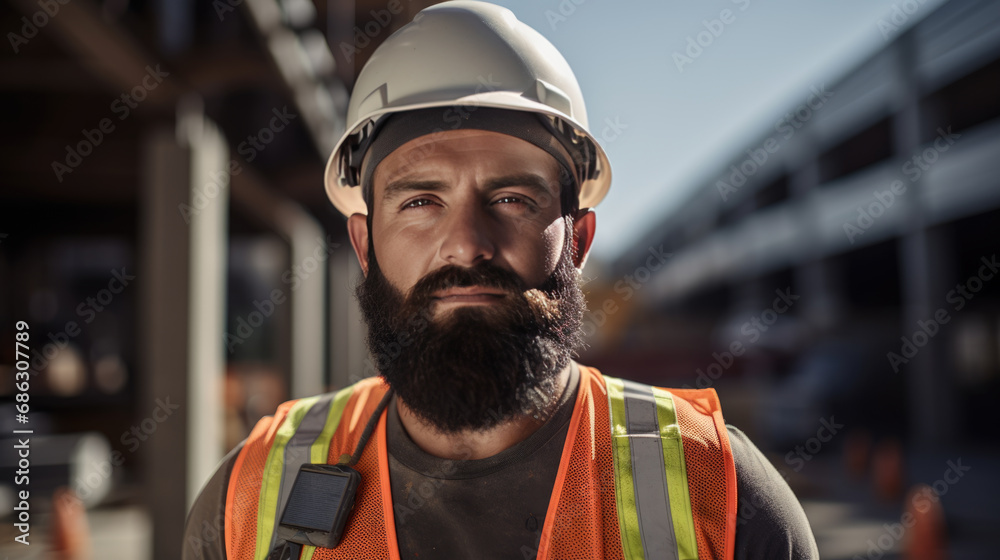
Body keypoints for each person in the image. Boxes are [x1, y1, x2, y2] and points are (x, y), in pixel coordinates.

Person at [183, 2, 819, 559]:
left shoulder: (724, 493)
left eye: (512, 198)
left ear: (578, 241)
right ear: (364, 245)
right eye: (420, 202)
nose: (466, 243)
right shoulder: (247, 500)